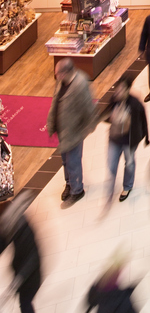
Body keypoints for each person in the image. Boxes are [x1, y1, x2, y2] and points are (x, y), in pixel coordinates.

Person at [46, 58, 95, 205]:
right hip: (63, 129)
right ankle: (69, 183)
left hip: (74, 131)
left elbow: (88, 108)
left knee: (73, 161)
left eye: (58, 74)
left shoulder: (80, 84)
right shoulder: (62, 81)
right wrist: (52, 124)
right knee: (65, 161)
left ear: (66, 72)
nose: (56, 77)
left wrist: (87, 127)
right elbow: (56, 101)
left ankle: (77, 190)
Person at [102, 73, 149, 204]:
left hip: (129, 141)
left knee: (129, 163)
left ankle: (127, 187)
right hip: (114, 139)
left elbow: (143, 121)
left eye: (122, 89)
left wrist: (146, 137)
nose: (119, 91)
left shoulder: (135, 104)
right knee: (111, 164)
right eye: (118, 88)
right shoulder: (114, 99)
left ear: (128, 89)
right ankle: (111, 186)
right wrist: (110, 119)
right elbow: (105, 114)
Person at [0, 197, 41, 313]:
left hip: (30, 276)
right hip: (22, 273)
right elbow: (2, 242)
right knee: (24, 302)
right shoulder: (13, 226)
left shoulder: (24, 231)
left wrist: (19, 279)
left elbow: (33, 258)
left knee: (25, 302)